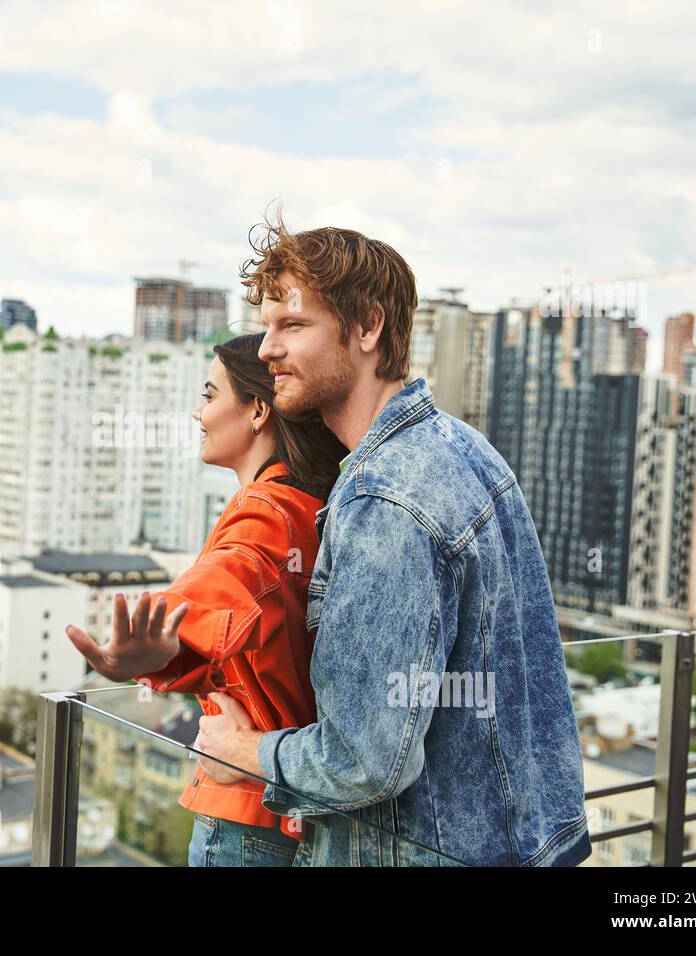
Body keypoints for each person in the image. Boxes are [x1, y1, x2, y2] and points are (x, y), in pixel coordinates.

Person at [193, 212, 593, 867]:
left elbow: (362, 762)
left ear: (369, 327)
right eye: (266, 328)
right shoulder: (462, 447)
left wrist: (239, 753)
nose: (266, 351)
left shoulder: (386, 496)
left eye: (291, 325)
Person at [65, 331, 346, 866]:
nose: (198, 413)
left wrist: (168, 626)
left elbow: (233, 574)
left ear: (258, 410)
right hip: (289, 805)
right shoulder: (310, 502)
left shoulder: (270, 510)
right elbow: (258, 647)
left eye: (210, 395)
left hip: (246, 814)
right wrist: (170, 652)